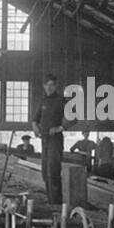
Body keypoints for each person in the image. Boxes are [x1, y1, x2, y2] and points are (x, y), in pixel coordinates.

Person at [32, 74, 66, 206]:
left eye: (51, 85)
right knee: (45, 172)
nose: (49, 87)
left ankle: (56, 204)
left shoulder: (61, 100)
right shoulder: (43, 101)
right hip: (44, 140)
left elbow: (74, 117)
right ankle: (50, 200)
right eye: (47, 85)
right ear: (44, 86)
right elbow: (35, 119)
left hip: (55, 140)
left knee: (53, 171)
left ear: (56, 86)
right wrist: (35, 127)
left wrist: (59, 128)